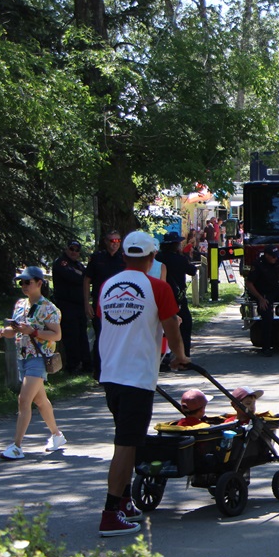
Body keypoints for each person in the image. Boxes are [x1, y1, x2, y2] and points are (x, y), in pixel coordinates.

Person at [97, 231, 189, 537]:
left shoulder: (107, 287)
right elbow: (171, 325)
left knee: (130, 440)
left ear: (124, 256)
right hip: (136, 375)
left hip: (111, 372)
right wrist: (179, 355)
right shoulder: (157, 287)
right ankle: (110, 512)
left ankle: (124, 502)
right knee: (125, 445)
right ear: (151, 258)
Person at [0, 266, 66, 460]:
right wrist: (4, 332)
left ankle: (17, 445)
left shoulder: (49, 308)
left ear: (39, 283)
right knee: (40, 400)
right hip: (23, 357)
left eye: (28, 282)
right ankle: (57, 435)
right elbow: (15, 329)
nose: (24, 286)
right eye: (22, 282)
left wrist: (33, 332)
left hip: (38, 358)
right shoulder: (20, 304)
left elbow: (56, 335)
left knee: (24, 400)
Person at [84, 230, 125, 381]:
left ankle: (117, 371)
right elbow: (87, 280)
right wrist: (87, 303)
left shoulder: (124, 258)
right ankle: (99, 372)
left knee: (119, 338)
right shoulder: (97, 258)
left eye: (118, 241)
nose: (115, 244)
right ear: (106, 242)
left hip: (120, 304)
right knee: (101, 337)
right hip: (100, 304)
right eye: (112, 241)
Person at [245, 244, 279, 357]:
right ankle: (266, 346)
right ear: (266, 255)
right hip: (262, 293)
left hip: (275, 289)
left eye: (276, 256)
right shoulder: (258, 265)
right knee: (267, 316)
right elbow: (249, 283)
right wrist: (260, 299)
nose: (275, 258)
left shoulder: (276, 260)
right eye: (273, 256)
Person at [155, 231, 197, 356]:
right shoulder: (180, 259)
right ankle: (184, 354)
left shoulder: (158, 258)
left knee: (161, 326)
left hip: (160, 297)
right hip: (178, 297)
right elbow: (192, 271)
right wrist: (188, 257)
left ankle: (163, 354)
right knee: (185, 325)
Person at [52, 240, 92, 373]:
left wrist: (83, 276)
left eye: (76, 250)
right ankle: (73, 365)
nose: (74, 252)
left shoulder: (79, 265)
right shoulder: (61, 262)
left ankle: (86, 363)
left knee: (82, 335)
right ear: (66, 249)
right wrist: (83, 277)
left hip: (80, 305)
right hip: (66, 305)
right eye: (71, 249)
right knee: (71, 336)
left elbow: (87, 277)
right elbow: (75, 277)